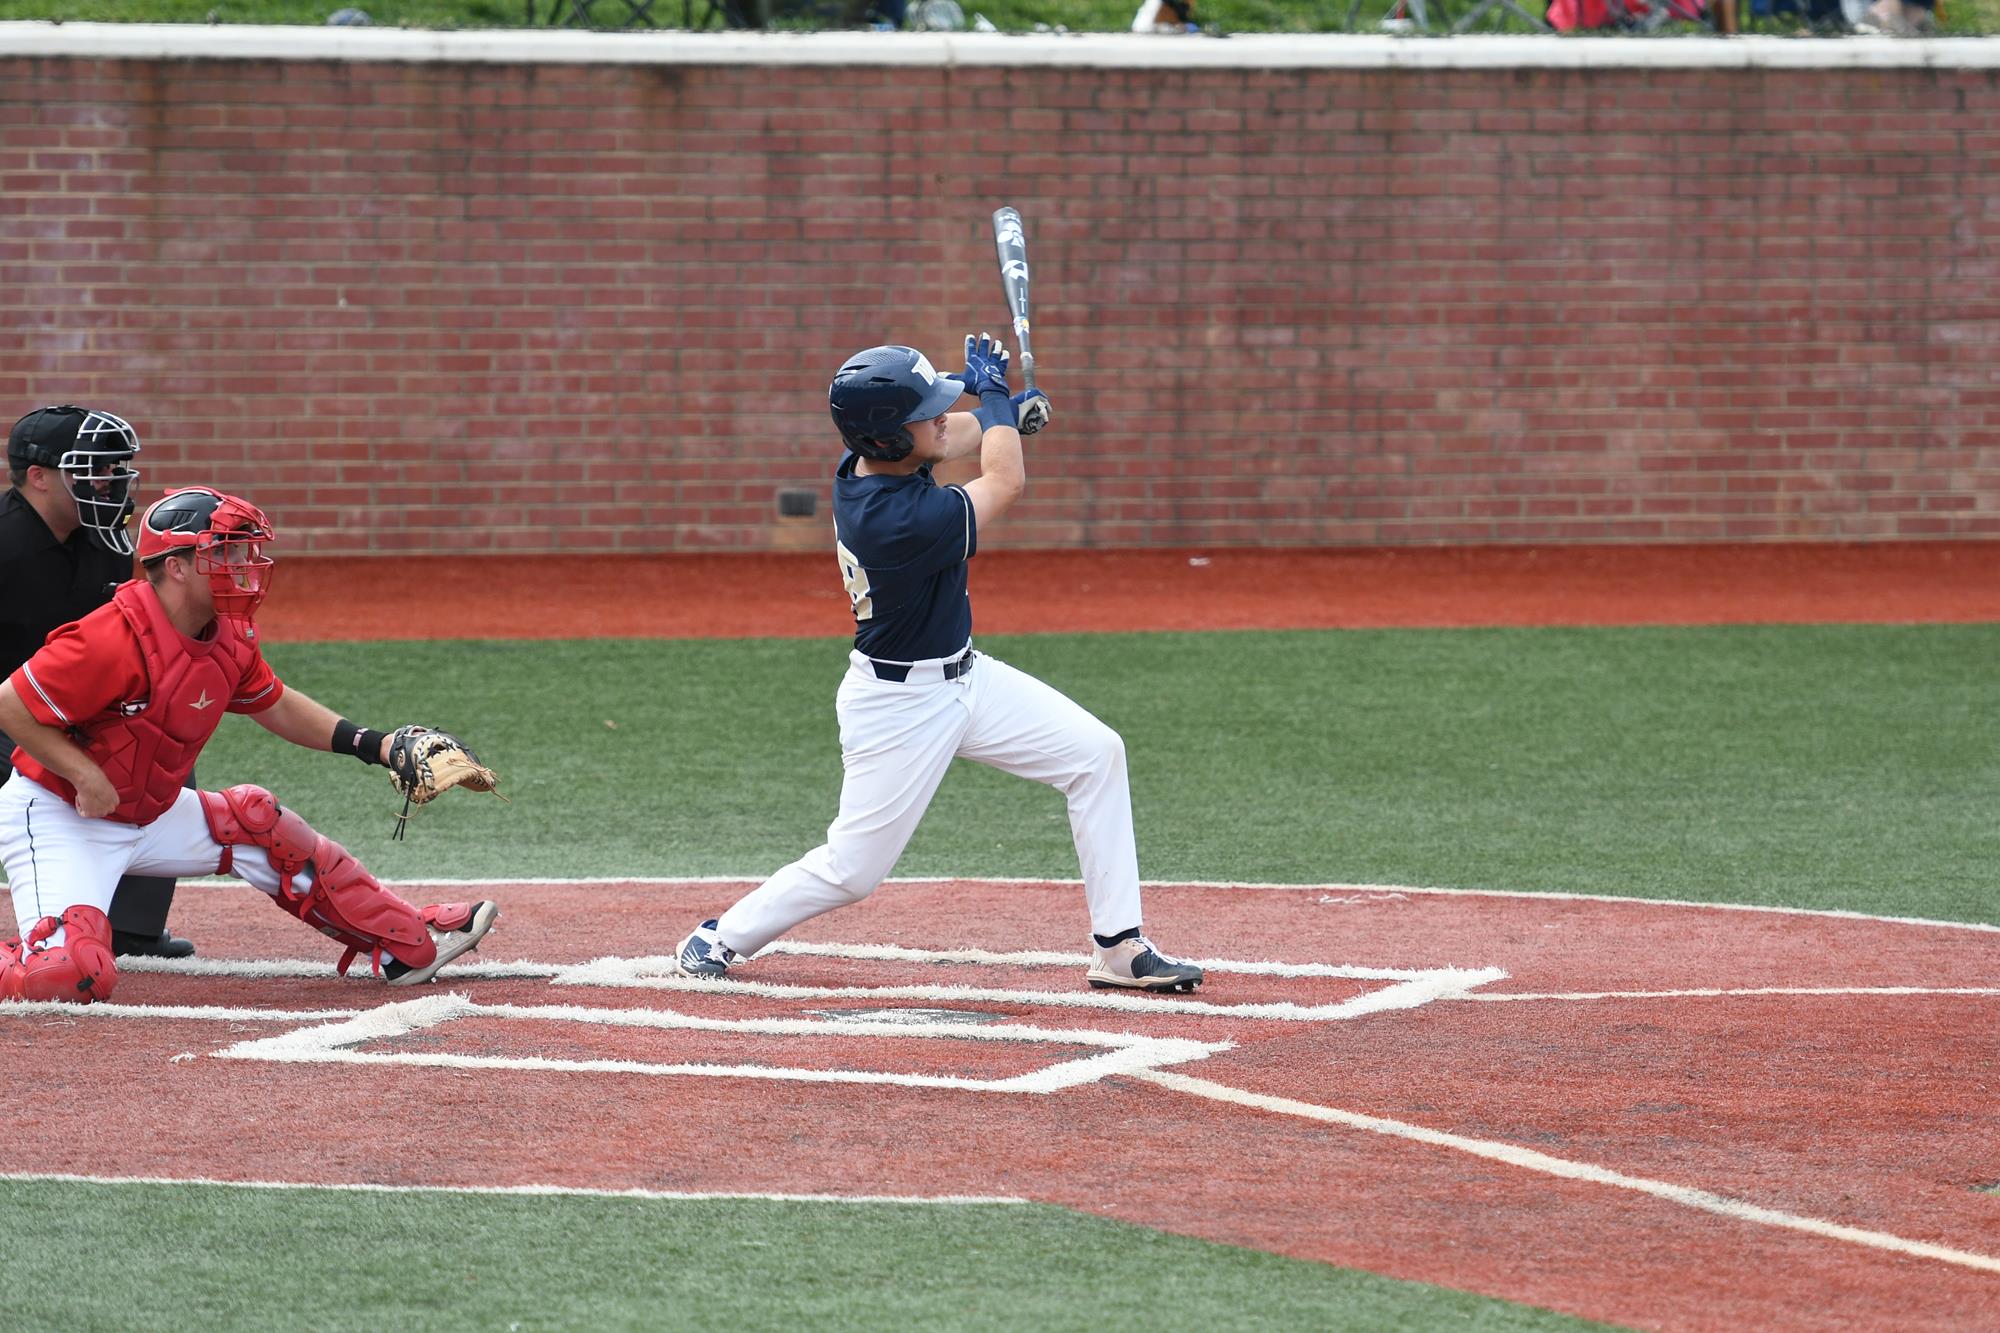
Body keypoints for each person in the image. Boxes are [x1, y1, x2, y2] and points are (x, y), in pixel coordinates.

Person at [676, 335, 1202, 994]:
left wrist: (996, 409)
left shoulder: (870, 459)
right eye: (922, 414)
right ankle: (718, 935)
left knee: (1096, 753)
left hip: (968, 678)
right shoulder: (896, 519)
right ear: (892, 438)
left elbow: (948, 431)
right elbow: (1005, 479)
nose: (936, 421)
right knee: (854, 869)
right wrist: (999, 404)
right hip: (898, 707)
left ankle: (1119, 946)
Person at [0, 485, 497, 1002]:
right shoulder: (110, 637)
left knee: (260, 822)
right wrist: (84, 773)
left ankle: (405, 941)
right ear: (177, 566)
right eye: (225, 552)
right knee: (66, 974)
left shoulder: (227, 634)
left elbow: (276, 704)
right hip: (62, 817)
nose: (243, 564)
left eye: (243, 550)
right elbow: (9, 704)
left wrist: (375, 743)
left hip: (148, 814)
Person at [0, 404, 195, 959]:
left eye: (113, 469)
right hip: (8, 710)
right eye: (93, 469)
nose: (110, 482)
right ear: (39, 477)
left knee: (162, 734)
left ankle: (133, 925)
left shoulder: (107, 539)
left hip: (71, 707)